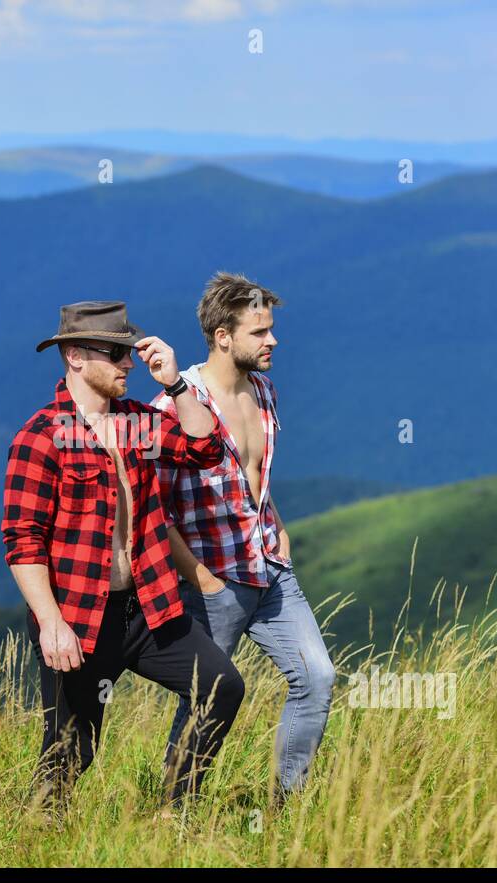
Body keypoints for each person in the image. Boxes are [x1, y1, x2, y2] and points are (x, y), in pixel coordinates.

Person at [2, 300, 245, 812]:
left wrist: (177, 386)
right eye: (114, 353)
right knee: (73, 750)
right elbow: (22, 541)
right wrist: (50, 623)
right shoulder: (40, 437)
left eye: (128, 351)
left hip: (149, 607)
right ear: (73, 356)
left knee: (220, 687)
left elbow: (207, 450)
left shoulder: (138, 422)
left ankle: (177, 815)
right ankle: (37, 832)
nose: (127, 364)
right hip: (80, 617)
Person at [153, 272, 336, 802]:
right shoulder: (174, 407)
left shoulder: (264, 390)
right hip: (215, 578)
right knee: (207, 697)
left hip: (270, 570)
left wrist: (275, 518)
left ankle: (289, 803)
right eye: (259, 332)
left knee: (317, 678)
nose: (272, 341)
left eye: (271, 329)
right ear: (222, 336)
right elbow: (154, 512)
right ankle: (175, 810)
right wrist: (200, 577)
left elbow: (252, 476)